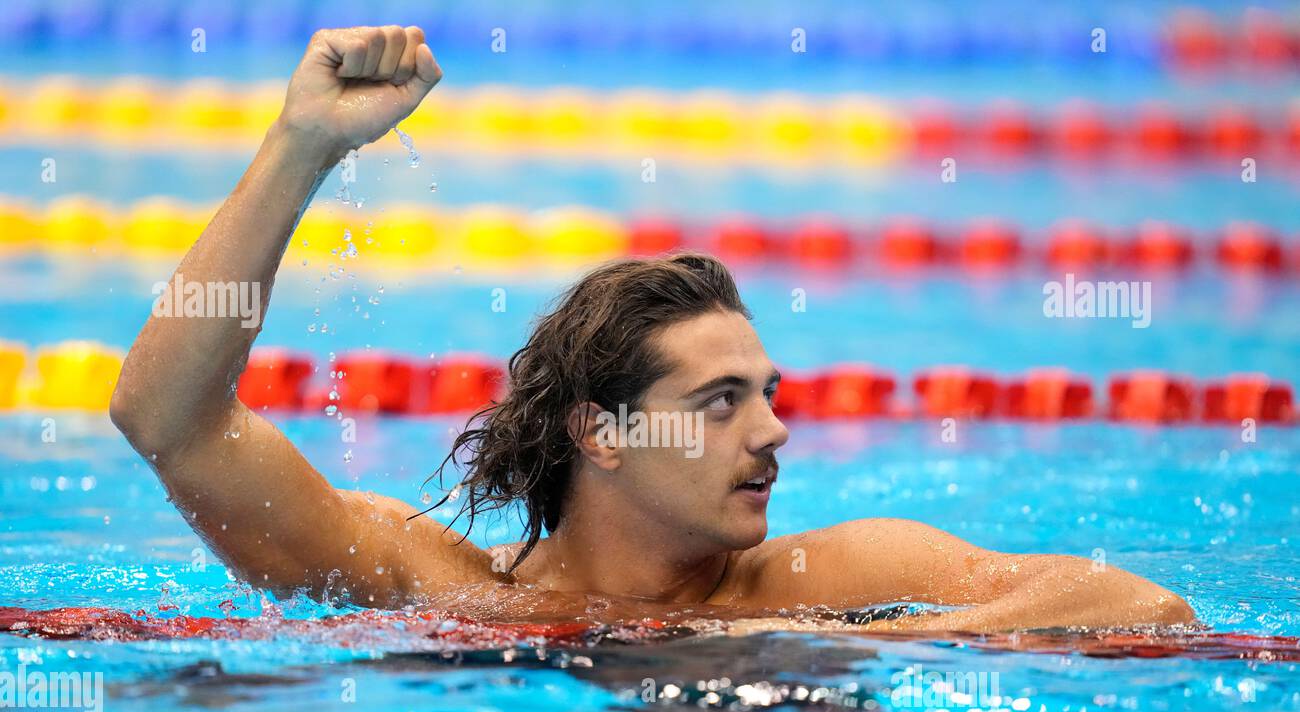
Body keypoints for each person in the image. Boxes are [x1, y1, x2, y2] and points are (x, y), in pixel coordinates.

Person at [110, 25, 1195, 632]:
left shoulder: (823, 582)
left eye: (769, 394)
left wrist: (864, 644)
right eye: (720, 402)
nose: (771, 431)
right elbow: (168, 421)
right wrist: (303, 147)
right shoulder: (434, 588)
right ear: (600, 431)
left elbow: (1145, 607)